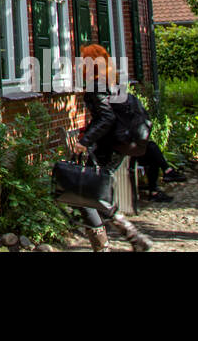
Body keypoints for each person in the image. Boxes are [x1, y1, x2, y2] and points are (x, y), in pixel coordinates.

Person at [67, 43, 153, 251]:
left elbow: (106, 118)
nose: (79, 65)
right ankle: (130, 238)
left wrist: (84, 142)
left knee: (87, 195)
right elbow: (110, 116)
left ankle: (126, 239)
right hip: (118, 148)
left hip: (105, 150)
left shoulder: (96, 87)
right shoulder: (112, 85)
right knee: (90, 195)